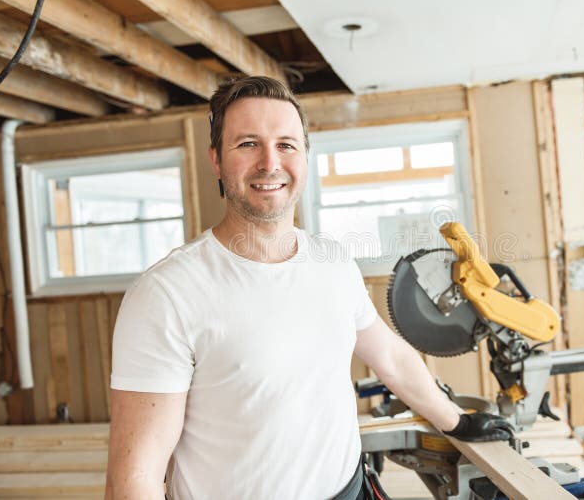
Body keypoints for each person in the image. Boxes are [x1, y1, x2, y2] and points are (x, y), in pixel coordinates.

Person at [105, 76, 511, 500]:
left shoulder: (332, 262)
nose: (269, 162)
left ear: (304, 156)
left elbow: (389, 357)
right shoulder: (167, 294)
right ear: (216, 160)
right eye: (247, 144)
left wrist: (457, 422)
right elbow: (135, 476)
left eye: (286, 144)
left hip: (350, 491)